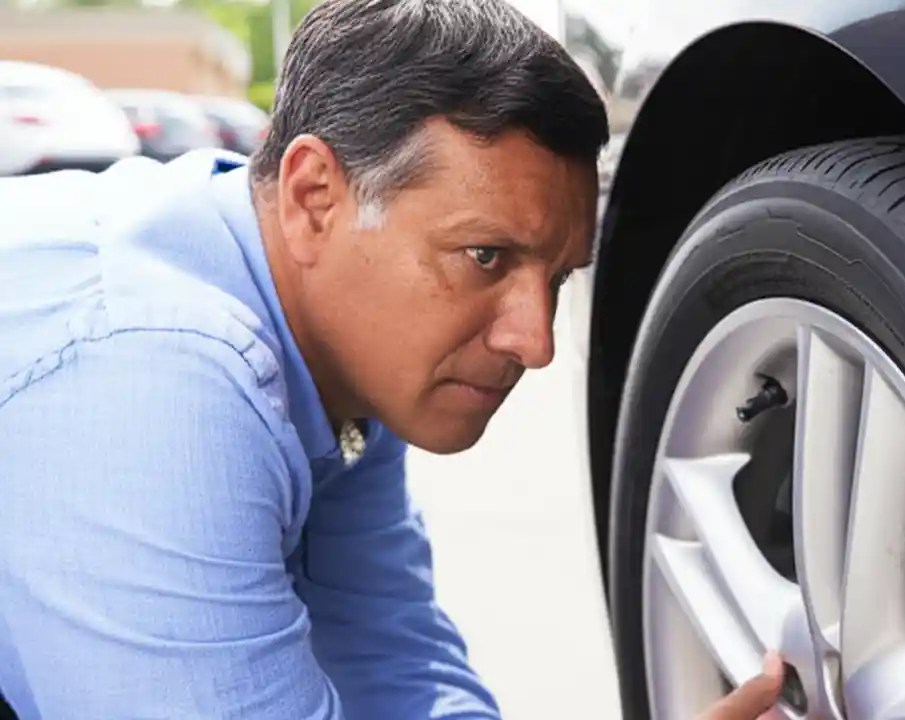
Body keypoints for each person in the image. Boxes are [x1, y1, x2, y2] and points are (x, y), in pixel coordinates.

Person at [0, 0, 782, 717]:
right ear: (315, 198)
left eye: (557, 278)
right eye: (484, 255)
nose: (535, 341)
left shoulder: (329, 352)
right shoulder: (151, 384)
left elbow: (390, 662)